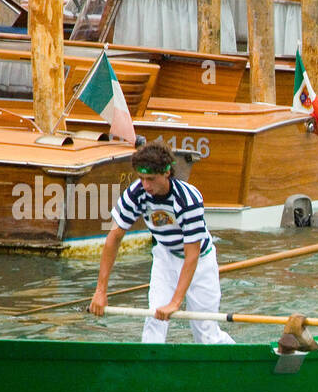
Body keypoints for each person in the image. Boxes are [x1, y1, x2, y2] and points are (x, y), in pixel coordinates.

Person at [89, 140, 234, 344]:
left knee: (206, 333)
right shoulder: (136, 193)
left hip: (200, 261)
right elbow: (114, 238)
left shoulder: (187, 199)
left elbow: (191, 255)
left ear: (166, 172)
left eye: (151, 179)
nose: (146, 185)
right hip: (165, 256)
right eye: (141, 179)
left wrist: (176, 302)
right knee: (154, 320)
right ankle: (149, 369)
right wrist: (100, 291)